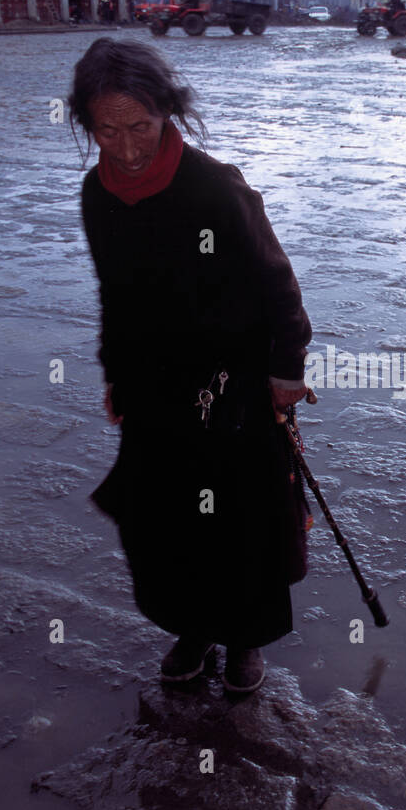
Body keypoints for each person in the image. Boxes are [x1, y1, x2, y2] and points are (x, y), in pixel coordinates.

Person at [70, 38, 312, 692]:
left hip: (232, 384)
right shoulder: (97, 195)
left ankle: (244, 643)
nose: (125, 147)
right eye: (106, 130)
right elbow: (112, 293)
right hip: (155, 386)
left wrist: (286, 370)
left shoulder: (213, 186)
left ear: (166, 113)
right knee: (166, 519)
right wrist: (115, 373)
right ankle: (194, 626)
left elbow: (276, 281)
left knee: (239, 517)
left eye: (139, 127)